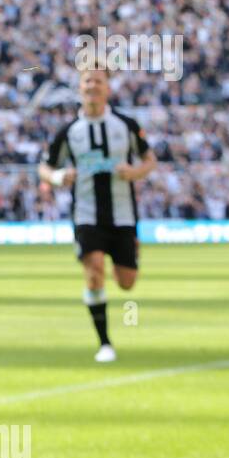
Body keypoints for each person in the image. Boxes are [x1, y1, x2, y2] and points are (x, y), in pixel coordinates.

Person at [39, 64, 156, 362]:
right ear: (80, 88)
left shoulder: (126, 125)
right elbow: (44, 167)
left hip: (123, 214)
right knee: (93, 271)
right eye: (87, 80)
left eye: (98, 81)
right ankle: (105, 343)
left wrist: (135, 171)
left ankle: (131, 254)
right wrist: (57, 177)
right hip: (86, 213)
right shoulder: (69, 132)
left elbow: (149, 158)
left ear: (108, 88)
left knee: (126, 281)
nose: (92, 86)